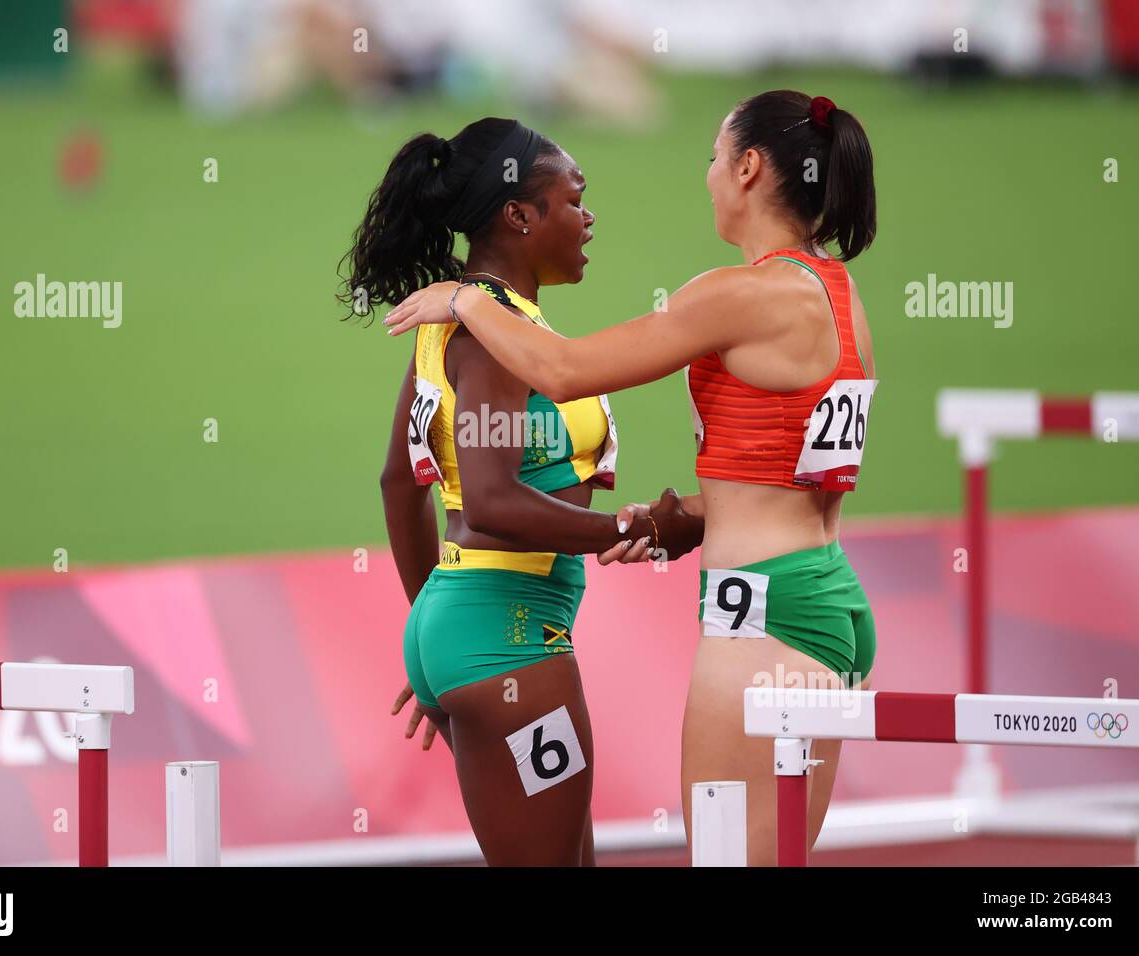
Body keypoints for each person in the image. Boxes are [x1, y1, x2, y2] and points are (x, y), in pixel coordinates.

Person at [383, 91, 879, 865]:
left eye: (714, 158)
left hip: (757, 613)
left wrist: (460, 298)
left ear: (749, 168)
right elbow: (794, 472)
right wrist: (667, 521)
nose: (707, 175)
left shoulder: (734, 295)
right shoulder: (841, 295)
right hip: (828, 599)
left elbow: (565, 370)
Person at [345, 117, 702, 865]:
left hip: (476, 631)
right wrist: (634, 531)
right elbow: (491, 503)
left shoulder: (456, 322)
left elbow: (395, 482)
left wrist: (437, 633)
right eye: (575, 198)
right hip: (508, 640)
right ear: (519, 214)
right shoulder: (489, 333)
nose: (589, 216)